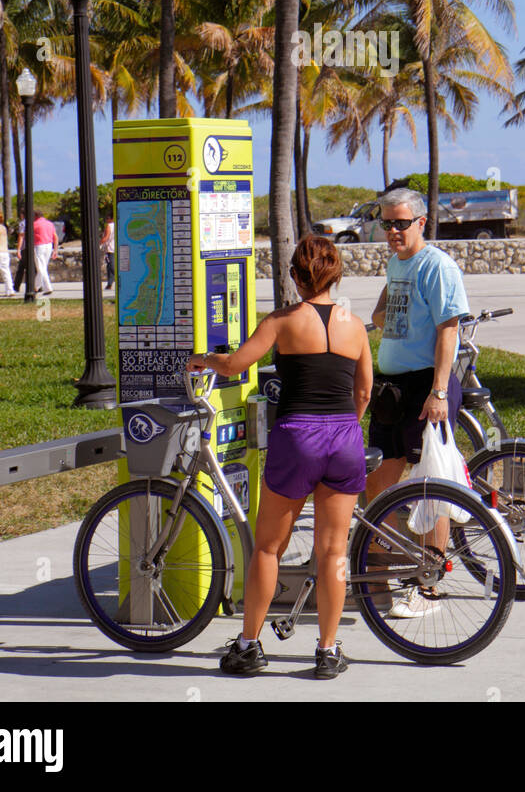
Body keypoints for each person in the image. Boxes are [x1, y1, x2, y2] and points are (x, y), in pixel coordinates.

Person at [187, 234, 372, 679]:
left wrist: (204, 360)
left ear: (293, 276)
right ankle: (327, 652)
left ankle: (249, 646)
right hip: (345, 438)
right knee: (332, 552)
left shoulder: (283, 321)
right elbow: (363, 390)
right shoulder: (356, 325)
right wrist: (346, 423)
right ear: (337, 275)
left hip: (297, 437)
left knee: (269, 547)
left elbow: (235, 365)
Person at [366, 188, 470, 617]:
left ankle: (426, 585)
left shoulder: (438, 266)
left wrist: (440, 391)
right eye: (386, 223)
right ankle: (379, 577)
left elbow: (450, 330)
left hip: (426, 387)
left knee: (432, 487)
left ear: (421, 222)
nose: (392, 231)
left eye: (400, 223)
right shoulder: (396, 262)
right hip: (391, 386)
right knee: (375, 487)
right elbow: (379, 315)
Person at [21, 209, 59, 296]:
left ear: (35, 216)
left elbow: (26, 237)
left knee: (41, 268)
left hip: (39, 246)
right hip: (49, 245)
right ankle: (36, 286)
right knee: (43, 266)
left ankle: (47, 287)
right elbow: (55, 237)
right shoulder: (50, 223)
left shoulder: (33, 225)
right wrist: (55, 249)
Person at [100, 218, 115, 290]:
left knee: (111, 267)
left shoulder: (109, 225)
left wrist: (99, 243)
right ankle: (109, 284)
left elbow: (106, 237)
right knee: (110, 267)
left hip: (111, 249)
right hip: (115, 248)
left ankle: (111, 283)